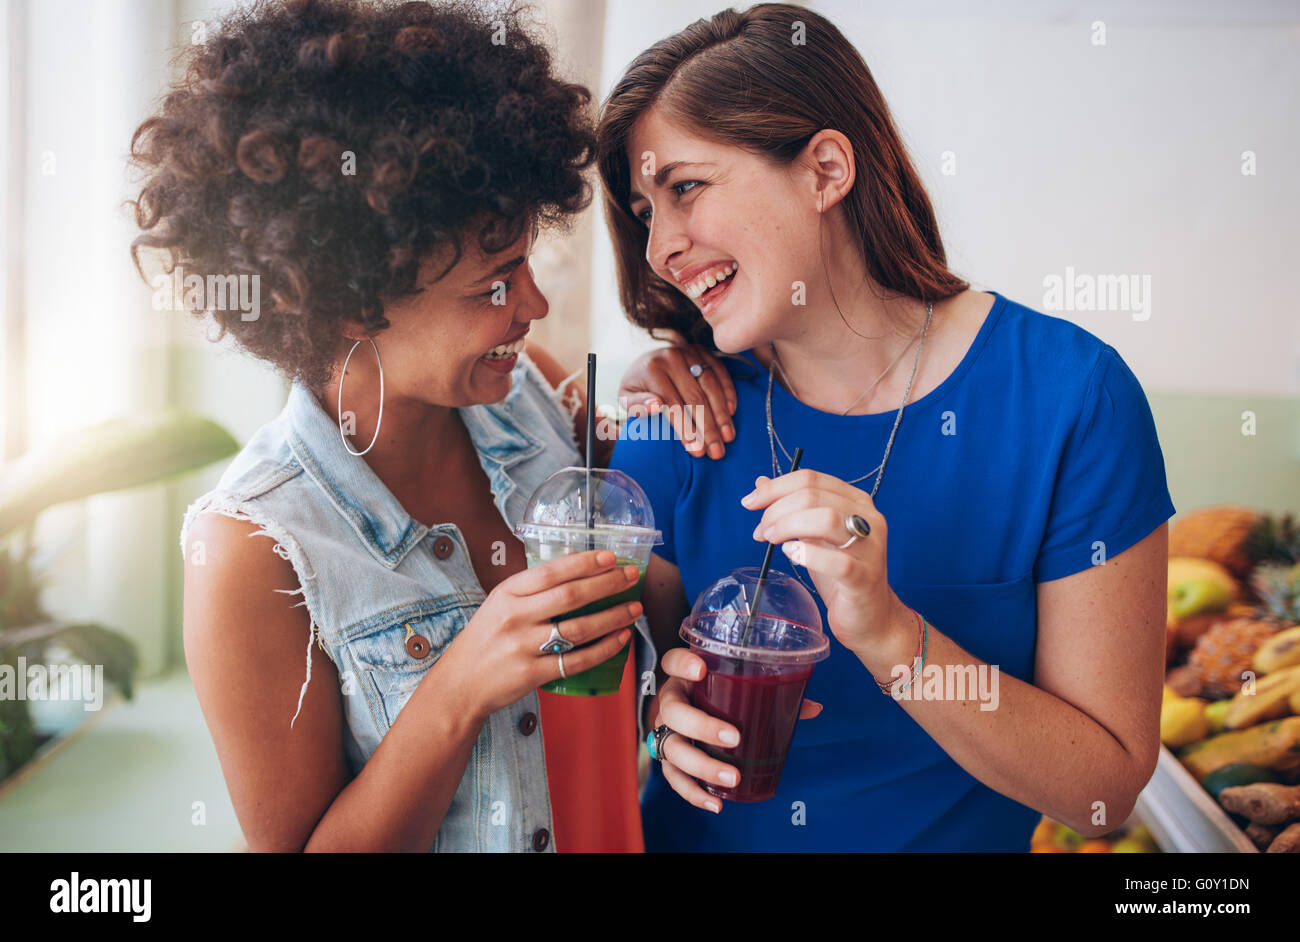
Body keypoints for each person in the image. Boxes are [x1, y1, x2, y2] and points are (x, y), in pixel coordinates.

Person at [129, 0, 730, 853]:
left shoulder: (530, 393)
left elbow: (652, 506)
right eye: (495, 282)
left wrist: (662, 390)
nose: (535, 307)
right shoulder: (253, 552)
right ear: (347, 305)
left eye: (526, 263)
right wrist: (460, 685)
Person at [601, 3, 1174, 851]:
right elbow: (604, 703)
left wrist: (891, 636)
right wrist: (656, 709)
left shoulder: (1072, 401)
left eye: (685, 188)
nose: (659, 252)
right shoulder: (678, 425)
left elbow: (1104, 789)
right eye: (647, 213)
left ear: (826, 170)